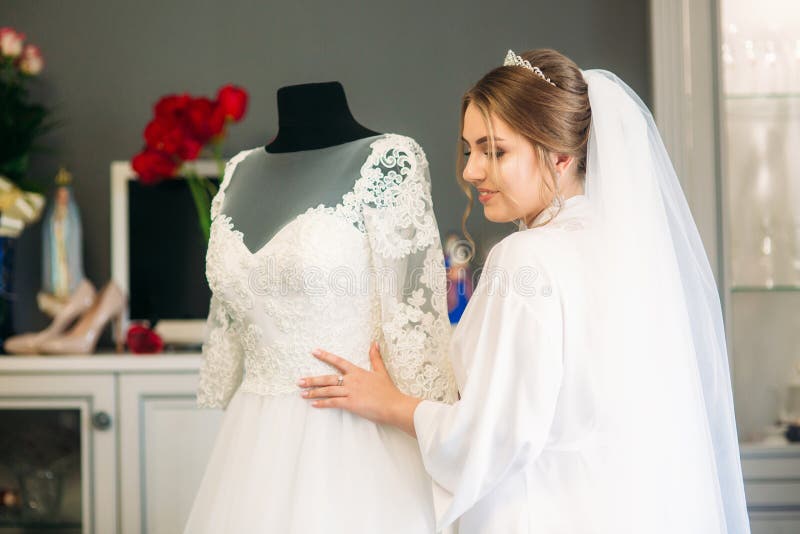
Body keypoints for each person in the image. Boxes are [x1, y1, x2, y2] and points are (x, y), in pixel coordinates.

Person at [298, 48, 751, 533]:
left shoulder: (527, 257)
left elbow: (490, 438)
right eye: (470, 149)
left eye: (495, 151)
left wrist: (390, 403)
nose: (472, 170)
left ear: (560, 155)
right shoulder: (625, 248)